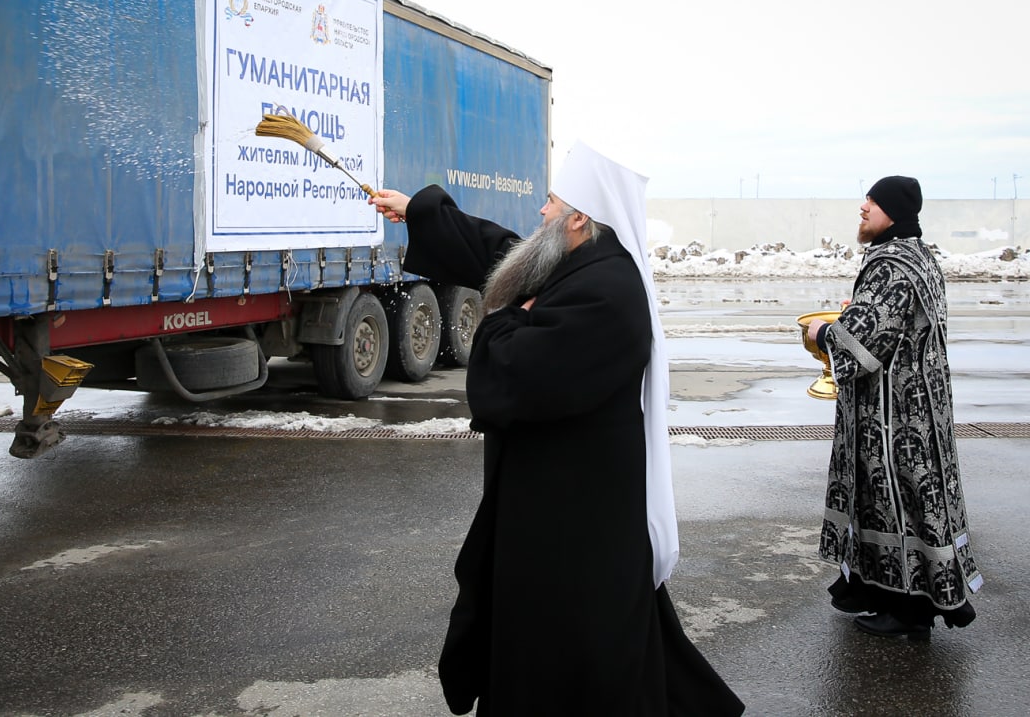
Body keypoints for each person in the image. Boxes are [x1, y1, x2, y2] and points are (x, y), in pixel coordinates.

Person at [370, 142, 743, 716]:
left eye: (550, 202)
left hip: (573, 523)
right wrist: (419, 209)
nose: (540, 213)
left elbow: (517, 376)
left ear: (578, 218)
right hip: (560, 507)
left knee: (571, 655)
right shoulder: (584, 263)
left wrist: (499, 321)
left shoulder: (607, 292)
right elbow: (503, 254)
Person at [807, 175, 982, 641]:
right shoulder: (920, 257)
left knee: (896, 502)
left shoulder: (892, 264)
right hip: (920, 408)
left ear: (893, 213)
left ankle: (907, 609)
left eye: (873, 201)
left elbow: (863, 341)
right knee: (908, 502)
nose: (863, 207)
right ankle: (881, 592)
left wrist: (821, 334)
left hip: (895, 415)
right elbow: (891, 324)